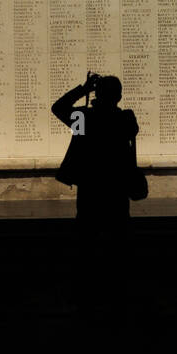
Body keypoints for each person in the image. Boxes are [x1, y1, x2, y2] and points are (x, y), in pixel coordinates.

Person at [51, 72, 140, 307]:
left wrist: (84, 88)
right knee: (118, 239)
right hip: (116, 186)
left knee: (86, 239)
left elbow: (58, 107)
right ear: (119, 96)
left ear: (97, 94)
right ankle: (117, 291)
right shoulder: (126, 119)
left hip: (91, 186)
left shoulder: (83, 118)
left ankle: (85, 290)